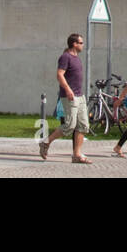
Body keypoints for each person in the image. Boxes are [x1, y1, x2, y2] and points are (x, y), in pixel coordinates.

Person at [39, 32, 90, 163]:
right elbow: (59, 75)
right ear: (74, 43)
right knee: (69, 126)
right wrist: (68, 90)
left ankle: (77, 155)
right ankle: (46, 142)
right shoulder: (65, 57)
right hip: (70, 96)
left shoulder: (77, 58)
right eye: (81, 42)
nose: (83, 45)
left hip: (80, 96)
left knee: (83, 125)